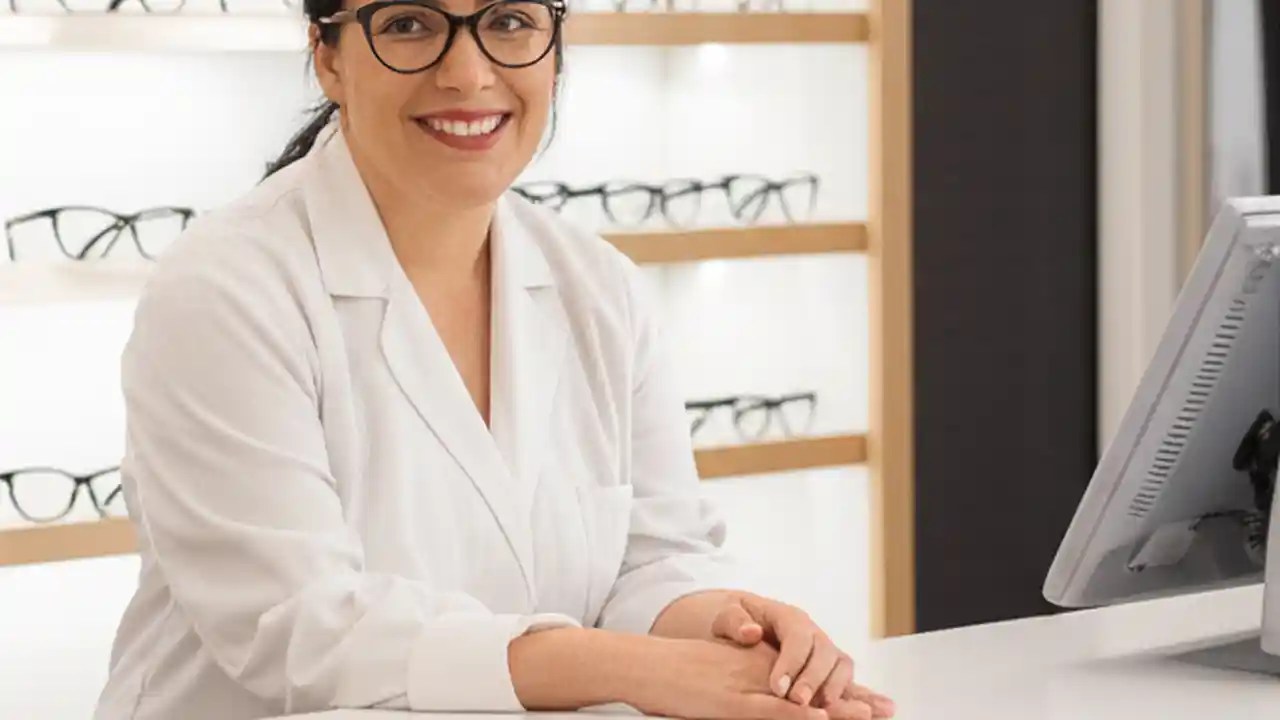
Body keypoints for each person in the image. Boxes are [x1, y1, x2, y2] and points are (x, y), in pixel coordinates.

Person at [94, 1, 896, 719]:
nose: (468, 72)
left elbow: (653, 561)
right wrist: (637, 669)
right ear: (328, 55)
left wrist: (730, 628)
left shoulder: (597, 286)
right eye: (409, 24)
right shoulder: (227, 290)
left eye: (509, 22)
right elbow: (301, 627)